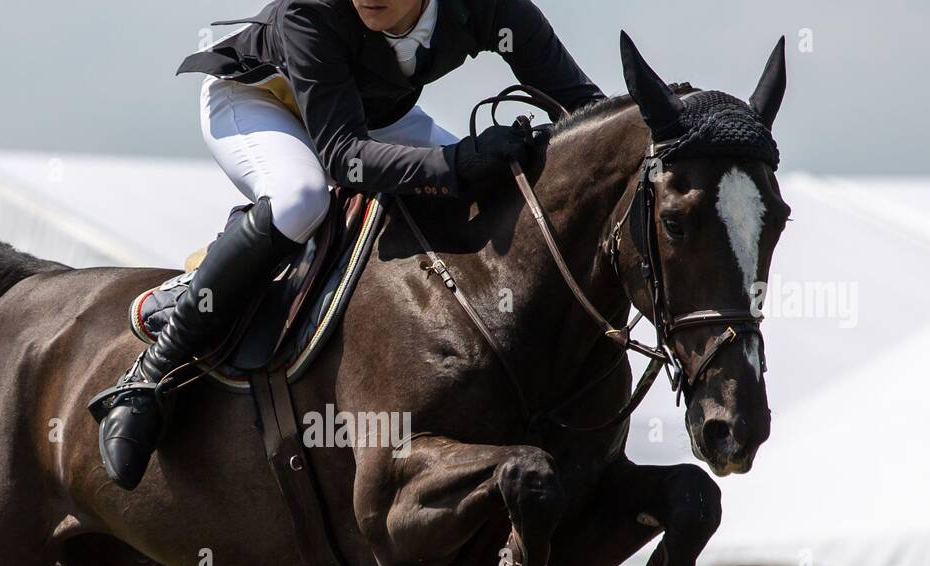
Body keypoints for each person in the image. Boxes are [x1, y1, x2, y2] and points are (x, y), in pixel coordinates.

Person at [96, 0, 604, 488]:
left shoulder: (492, 7)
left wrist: (672, 122)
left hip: (367, 114)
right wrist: (455, 163)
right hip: (258, 99)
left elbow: (585, 109)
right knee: (301, 199)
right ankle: (151, 373)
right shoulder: (313, 8)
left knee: (499, 192)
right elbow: (344, 160)